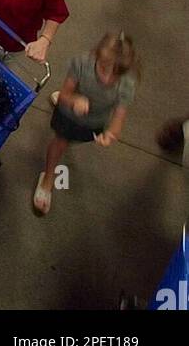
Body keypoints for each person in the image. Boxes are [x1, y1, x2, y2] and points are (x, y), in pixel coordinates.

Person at [33, 33, 138, 217]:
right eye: (104, 68)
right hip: (68, 115)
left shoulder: (127, 84)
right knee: (61, 142)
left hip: (93, 122)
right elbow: (67, 93)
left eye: (115, 73)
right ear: (96, 55)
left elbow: (119, 116)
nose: (107, 78)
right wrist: (73, 99)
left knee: (71, 140)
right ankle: (49, 177)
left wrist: (111, 134)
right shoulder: (82, 64)